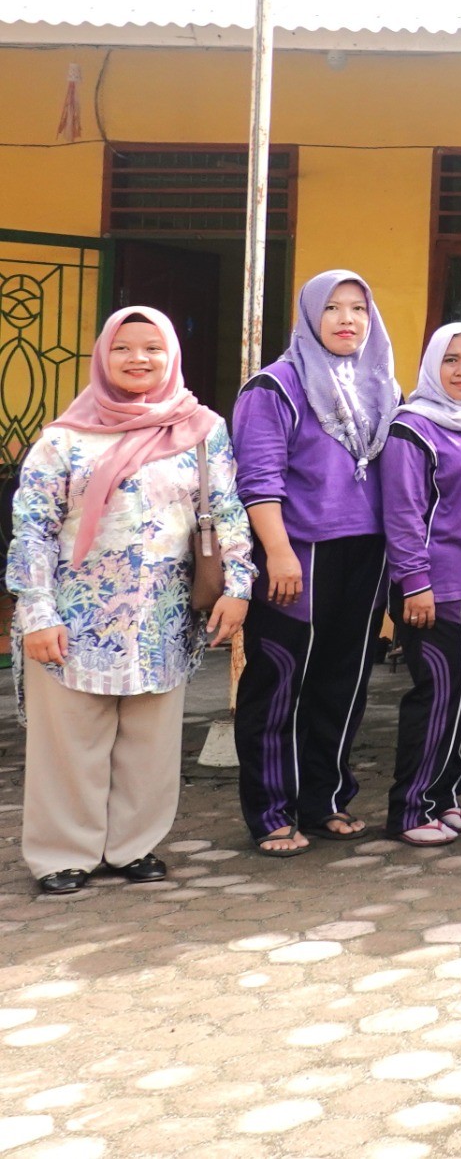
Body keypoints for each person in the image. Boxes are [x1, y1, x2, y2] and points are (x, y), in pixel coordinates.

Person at [7, 307, 251, 895]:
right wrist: (37, 611)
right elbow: (32, 529)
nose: (138, 359)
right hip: (74, 612)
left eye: (152, 349)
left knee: (151, 741)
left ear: (172, 356)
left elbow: (226, 511)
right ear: (103, 356)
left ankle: (133, 846)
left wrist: (239, 587)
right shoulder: (64, 438)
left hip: (161, 614)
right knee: (68, 741)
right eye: (123, 348)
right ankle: (63, 853)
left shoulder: (201, 428)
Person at [232, 269, 400, 856]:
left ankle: (324, 798)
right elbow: (258, 478)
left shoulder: (382, 386)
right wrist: (277, 552)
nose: (348, 319)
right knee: (279, 681)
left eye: (358, 307)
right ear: (309, 316)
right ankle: (271, 809)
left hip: (365, 551)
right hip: (298, 552)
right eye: (333, 308)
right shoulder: (274, 388)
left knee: (344, 680)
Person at [381, 323, 461, 848]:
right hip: (433, 587)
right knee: (435, 695)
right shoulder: (412, 428)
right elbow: (404, 513)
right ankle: (410, 807)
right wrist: (414, 582)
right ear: (432, 365)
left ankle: (444, 794)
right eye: (451, 360)